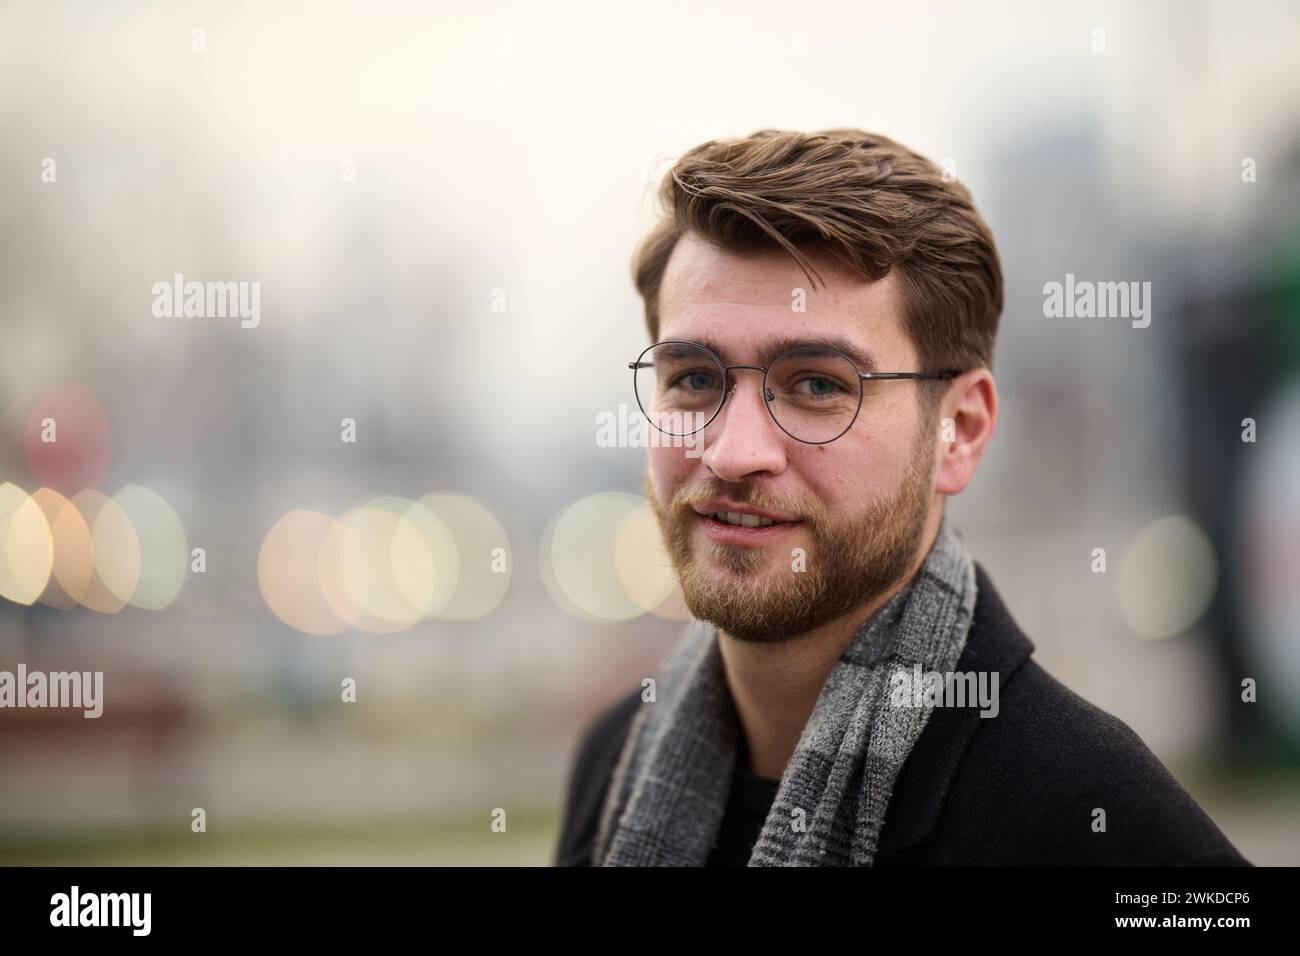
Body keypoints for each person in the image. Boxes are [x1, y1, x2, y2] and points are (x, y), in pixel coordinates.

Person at [556, 129, 1248, 867]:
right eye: (693, 378)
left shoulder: (1087, 815)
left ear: (962, 431)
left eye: (817, 385)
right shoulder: (615, 762)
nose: (733, 452)